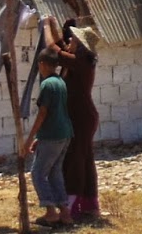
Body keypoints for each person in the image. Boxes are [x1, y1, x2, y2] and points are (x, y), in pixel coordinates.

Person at [47, 21, 102, 223]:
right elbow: (60, 44)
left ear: (80, 45)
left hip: (82, 117)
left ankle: (69, 206)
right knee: (84, 160)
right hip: (81, 116)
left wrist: (44, 26)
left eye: (74, 39)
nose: (70, 40)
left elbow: (54, 49)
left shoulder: (80, 62)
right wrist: (52, 24)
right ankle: (89, 205)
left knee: (74, 160)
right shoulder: (77, 59)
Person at [23, 48, 72, 227]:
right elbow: (56, 112)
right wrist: (40, 137)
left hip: (52, 135)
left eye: (39, 64)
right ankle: (65, 212)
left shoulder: (47, 84)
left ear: (43, 64)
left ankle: (51, 212)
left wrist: (29, 139)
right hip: (65, 133)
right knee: (55, 172)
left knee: (38, 173)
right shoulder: (60, 82)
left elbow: (43, 113)